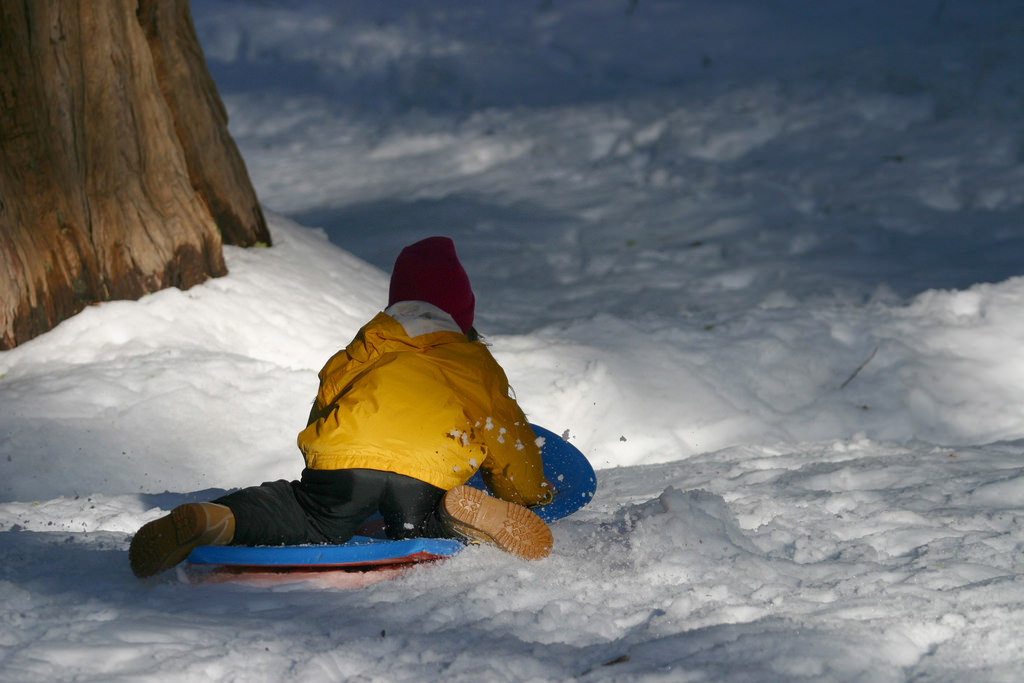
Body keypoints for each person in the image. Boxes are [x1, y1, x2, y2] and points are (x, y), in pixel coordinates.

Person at [129, 236, 554, 578]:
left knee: (308, 516)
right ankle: (457, 516)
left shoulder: (370, 343)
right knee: (418, 527)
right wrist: (526, 496)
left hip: (345, 463)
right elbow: (507, 432)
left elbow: (326, 399)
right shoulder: (474, 362)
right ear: (462, 315)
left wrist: (322, 467)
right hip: (428, 470)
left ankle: (220, 519)